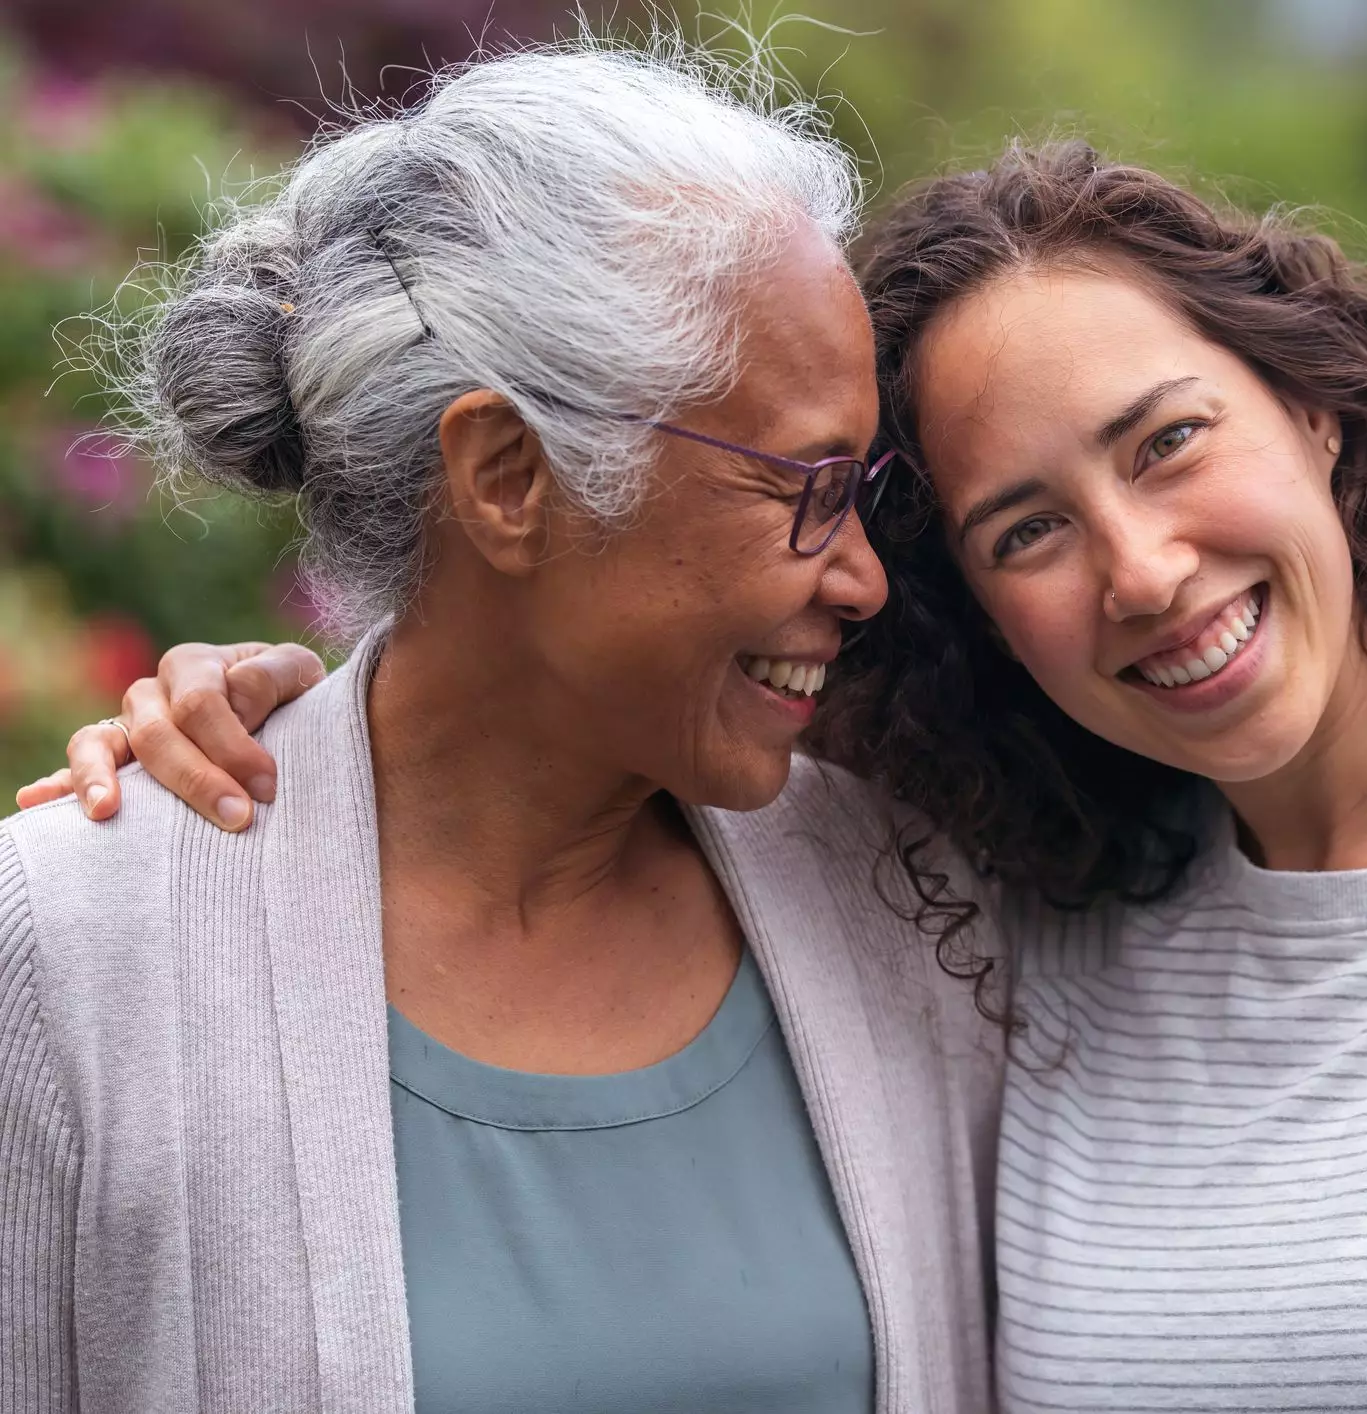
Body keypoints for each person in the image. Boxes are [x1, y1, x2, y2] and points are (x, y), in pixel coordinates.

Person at [32, 143, 1367, 1411]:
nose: (1142, 570)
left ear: (1317, 406)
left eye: (1166, 440)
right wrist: (268, 725)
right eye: (1018, 528)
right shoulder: (1038, 903)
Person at [0, 44, 998, 1414]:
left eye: (861, 485)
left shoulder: (912, 909)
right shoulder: (75, 954)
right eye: (805, 487)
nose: (866, 577)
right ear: (509, 477)